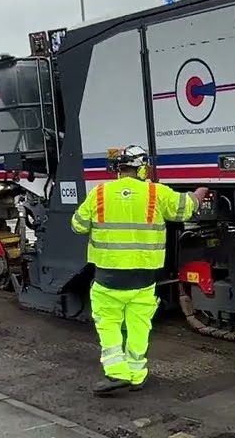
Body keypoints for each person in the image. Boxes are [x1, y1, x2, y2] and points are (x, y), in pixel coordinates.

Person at [70, 145, 208, 396]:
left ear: (118, 170)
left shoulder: (99, 193)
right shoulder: (156, 193)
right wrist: (201, 191)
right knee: (139, 324)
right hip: (144, 277)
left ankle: (116, 373)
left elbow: (77, 226)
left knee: (109, 323)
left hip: (108, 277)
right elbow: (186, 208)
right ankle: (136, 375)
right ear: (143, 167)